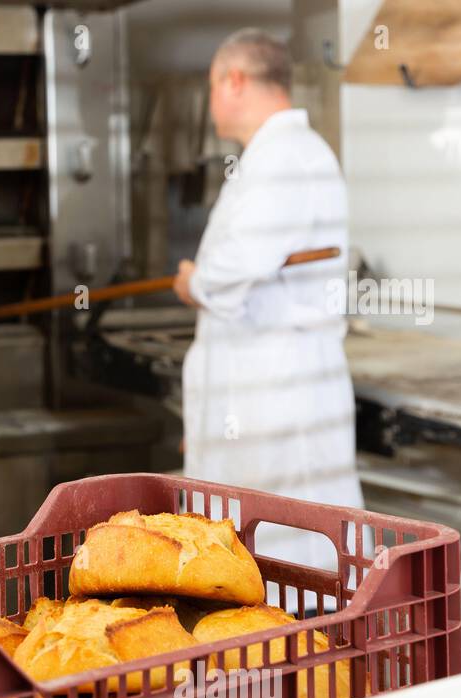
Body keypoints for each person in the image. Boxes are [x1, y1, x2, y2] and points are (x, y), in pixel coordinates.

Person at [173, 28, 362, 577]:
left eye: (212, 85)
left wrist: (195, 282)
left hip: (280, 394)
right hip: (258, 389)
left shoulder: (285, 158)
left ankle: (297, 655)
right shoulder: (274, 155)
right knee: (259, 547)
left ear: (235, 80)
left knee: (290, 553)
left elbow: (235, 267)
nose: (211, 102)